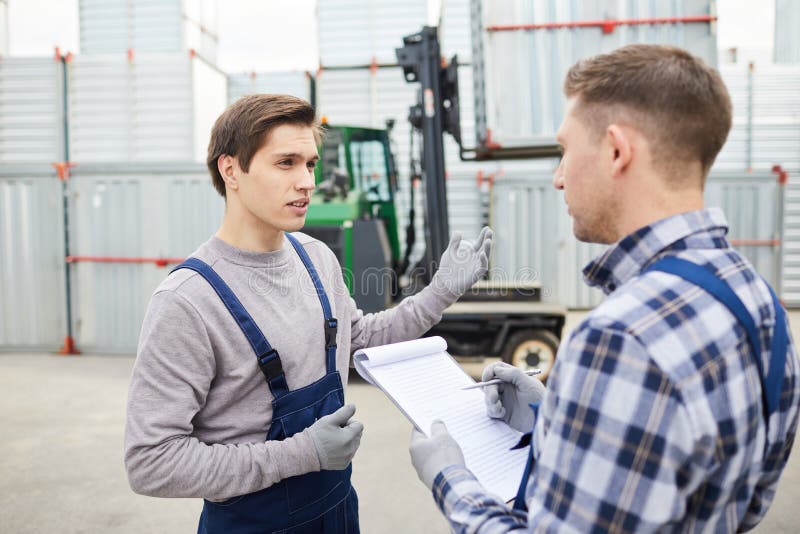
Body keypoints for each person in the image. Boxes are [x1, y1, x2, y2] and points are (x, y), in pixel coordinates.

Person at [409, 44, 800, 532]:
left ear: (616, 151)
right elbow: (744, 500)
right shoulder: (758, 302)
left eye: (565, 150)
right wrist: (554, 417)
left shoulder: (619, 339)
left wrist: (450, 478)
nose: (558, 178)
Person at [124, 94, 492, 533]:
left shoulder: (316, 258)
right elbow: (151, 462)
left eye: (310, 164)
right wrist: (302, 454)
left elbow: (361, 340)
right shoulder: (187, 301)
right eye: (286, 163)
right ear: (230, 170)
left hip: (337, 512)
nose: (306, 182)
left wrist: (440, 292)